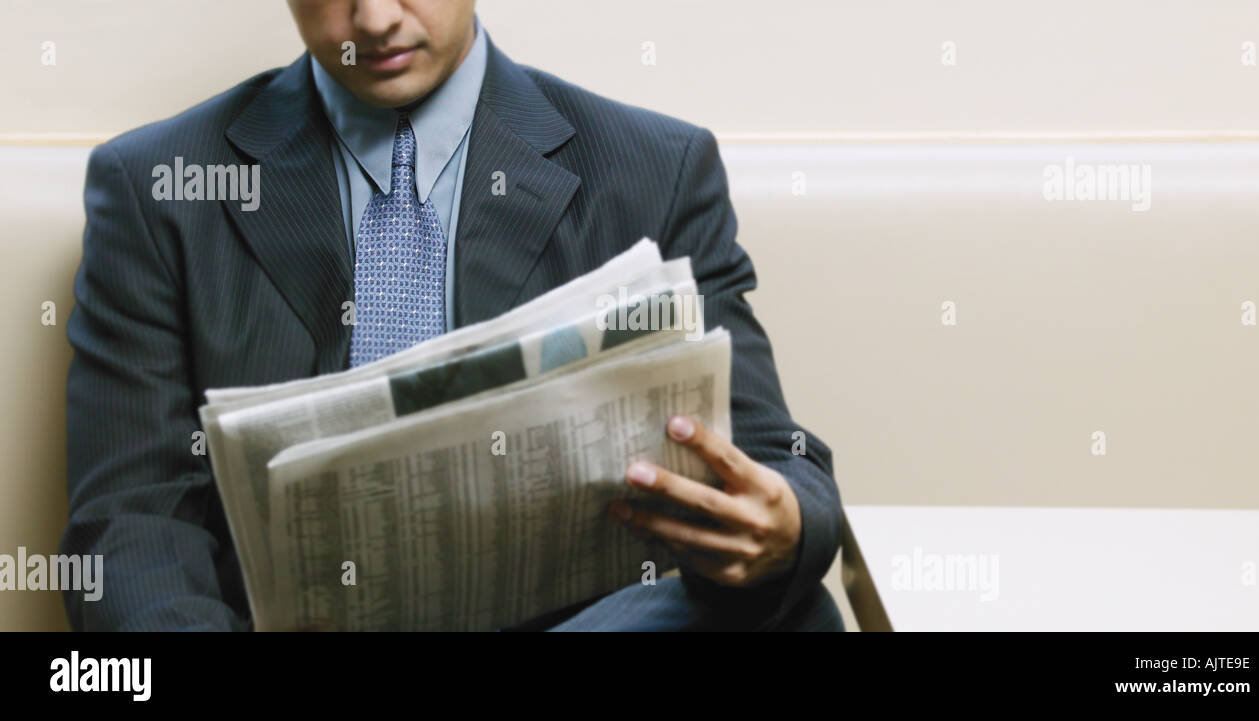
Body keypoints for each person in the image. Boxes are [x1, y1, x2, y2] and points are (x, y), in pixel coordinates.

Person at [62, 0, 843, 631]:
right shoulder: (157, 187)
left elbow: (778, 455)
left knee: (795, 606)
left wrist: (781, 527)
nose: (372, 20)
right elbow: (131, 524)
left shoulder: (655, 171)